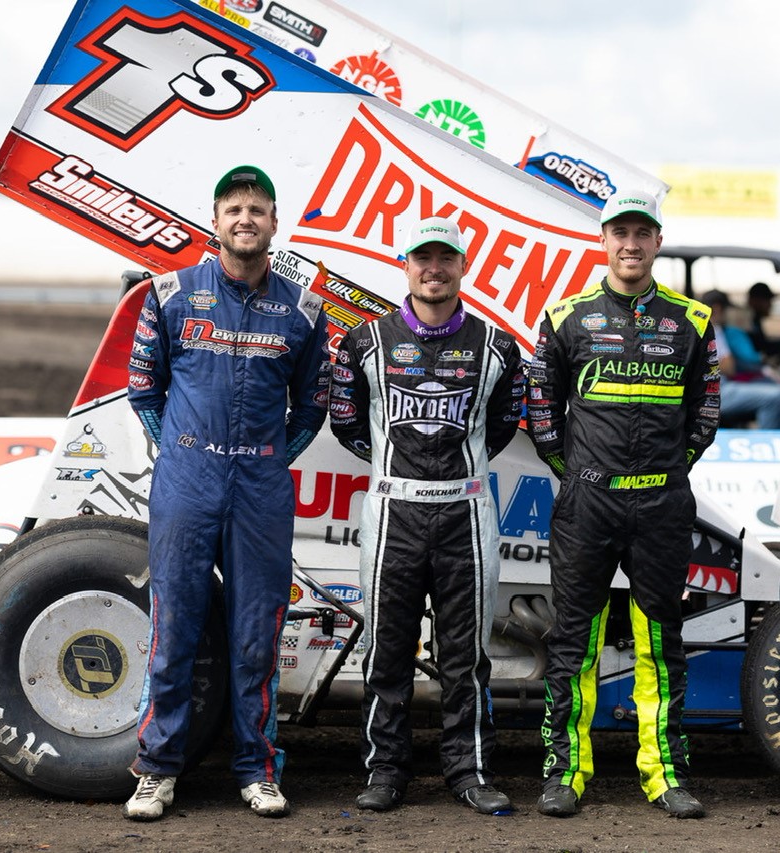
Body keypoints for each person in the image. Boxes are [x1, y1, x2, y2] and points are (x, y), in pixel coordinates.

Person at [123, 165, 332, 821]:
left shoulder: (304, 308)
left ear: (274, 223)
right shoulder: (170, 293)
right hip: (187, 482)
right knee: (173, 630)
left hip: (260, 488)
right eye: (234, 209)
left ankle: (257, 769)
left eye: (257, 209)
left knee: (256, 637)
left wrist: (267, 459)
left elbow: (312, 406)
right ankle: (156, 769)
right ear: (215, 221)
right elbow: (142, 388)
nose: (246, 219)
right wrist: (181, 450)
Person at [527, 189, 718, 820]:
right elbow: (541, 409)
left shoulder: (693, 320)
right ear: (603, 239)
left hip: (662, 505)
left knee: (660, 643)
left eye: (642, 233)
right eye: (620, 233)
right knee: (573, 643)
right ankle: (565, 773)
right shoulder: (566, 317)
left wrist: (665, 474)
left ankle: (664, 776)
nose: (630, 244)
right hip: (588, 505)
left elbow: (706, 413)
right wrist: (579, 475)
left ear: (658, 241)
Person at [330, 216, 526, 816]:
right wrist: (397, 471)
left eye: (445, 258)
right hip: (394, 510)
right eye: (423, 258)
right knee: (386, 650)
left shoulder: (496, 347)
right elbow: (346, 423)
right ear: (406, 264)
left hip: (467, 511)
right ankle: (386, 770)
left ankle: (469, 771)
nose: (433, 269)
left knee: (466, 656)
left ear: (463, 266)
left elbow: (502, 425)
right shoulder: (365, 342)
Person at [704, 289, 780, 429]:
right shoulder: (710, 328)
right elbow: (729, 368)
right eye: (727, 310)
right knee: (777, 396)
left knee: (773, 385)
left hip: (718, 387)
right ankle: (769, 441)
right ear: (718, 309)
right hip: (712, 392)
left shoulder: (715, 329)